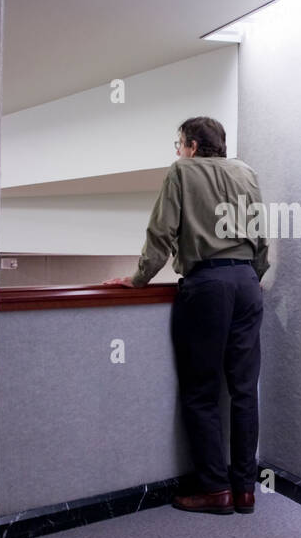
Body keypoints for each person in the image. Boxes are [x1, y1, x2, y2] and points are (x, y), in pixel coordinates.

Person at [103, 117, 270, 515]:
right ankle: (245, 489)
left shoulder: (182, 171)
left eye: (178, 143)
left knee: (201, 392)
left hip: (207, 284)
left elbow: (160, 233)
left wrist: (138, 279)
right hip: (247, 284)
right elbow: (261, 237)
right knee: (244, 391)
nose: (177, 151)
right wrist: (252, 276)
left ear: (192, 146)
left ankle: (216, 490)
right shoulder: (246, 172)